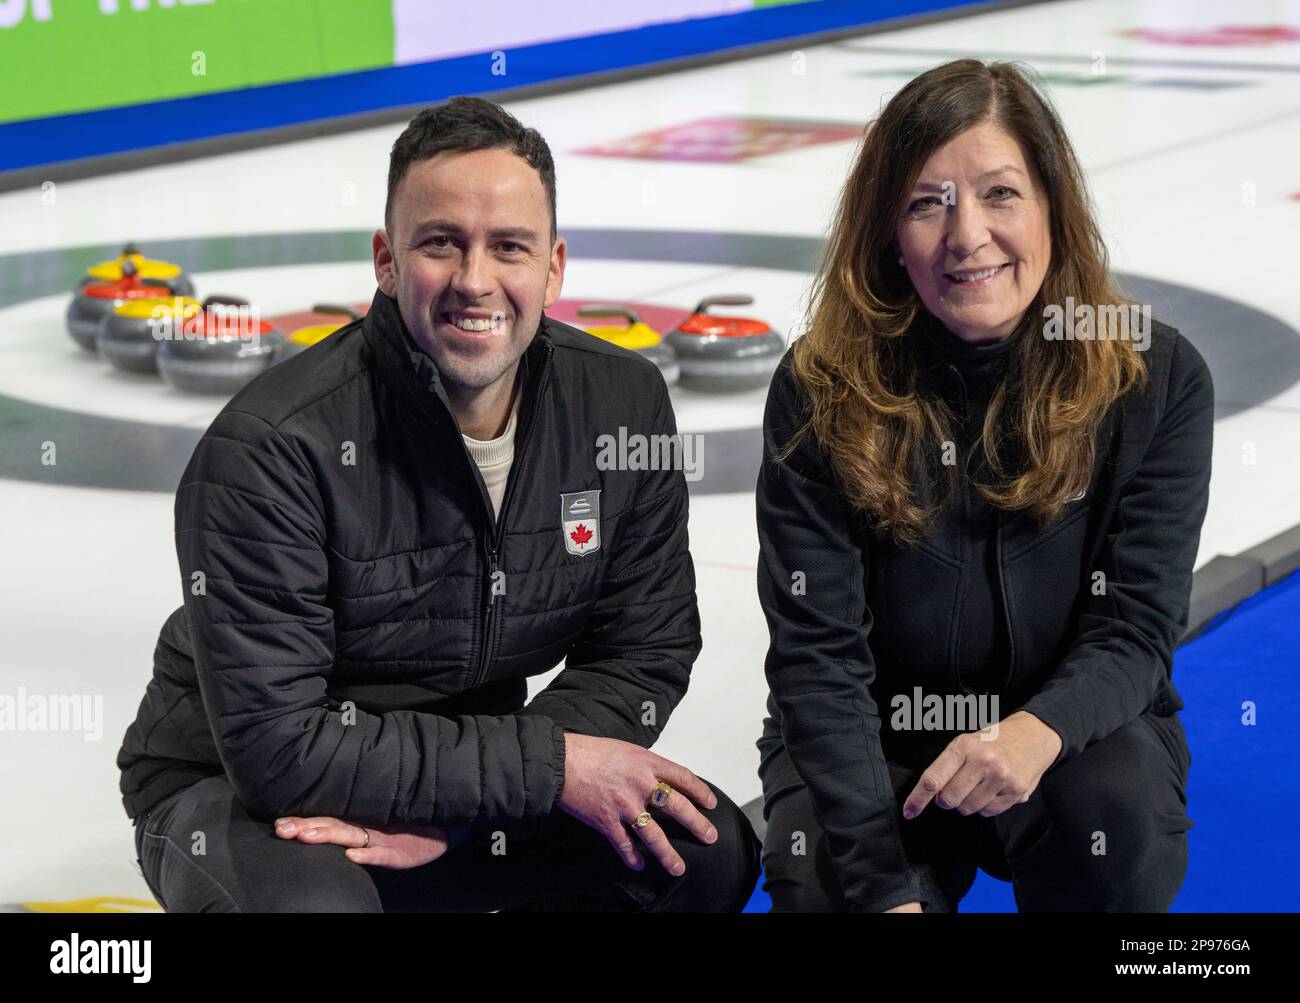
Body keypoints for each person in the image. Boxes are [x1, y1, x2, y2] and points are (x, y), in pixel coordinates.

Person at [118, 96, 759, 913]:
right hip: (247, 790)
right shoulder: (273, 447)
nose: (475, 280)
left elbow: (645, 646)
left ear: (554, 266)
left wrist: (484, 800)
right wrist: (546, 769)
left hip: (477, 771)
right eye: (440, 243)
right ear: (387, 260)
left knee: (700, 855)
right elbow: (278, 745)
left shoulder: (621, 406)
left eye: (509, 247)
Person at [754, 59, 1211, 913]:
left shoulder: (1155, 378)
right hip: (880, 740)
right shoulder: (821, 387)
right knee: (827, 885)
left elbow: (1135, 627)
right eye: (928, 203)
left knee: (1116, 825)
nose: (967, 235)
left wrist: (1035, 732)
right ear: (888, 229)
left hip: (1064, 730)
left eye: (1001, 193)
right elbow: (818, 661)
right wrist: (882, 888)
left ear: (1052, 207)